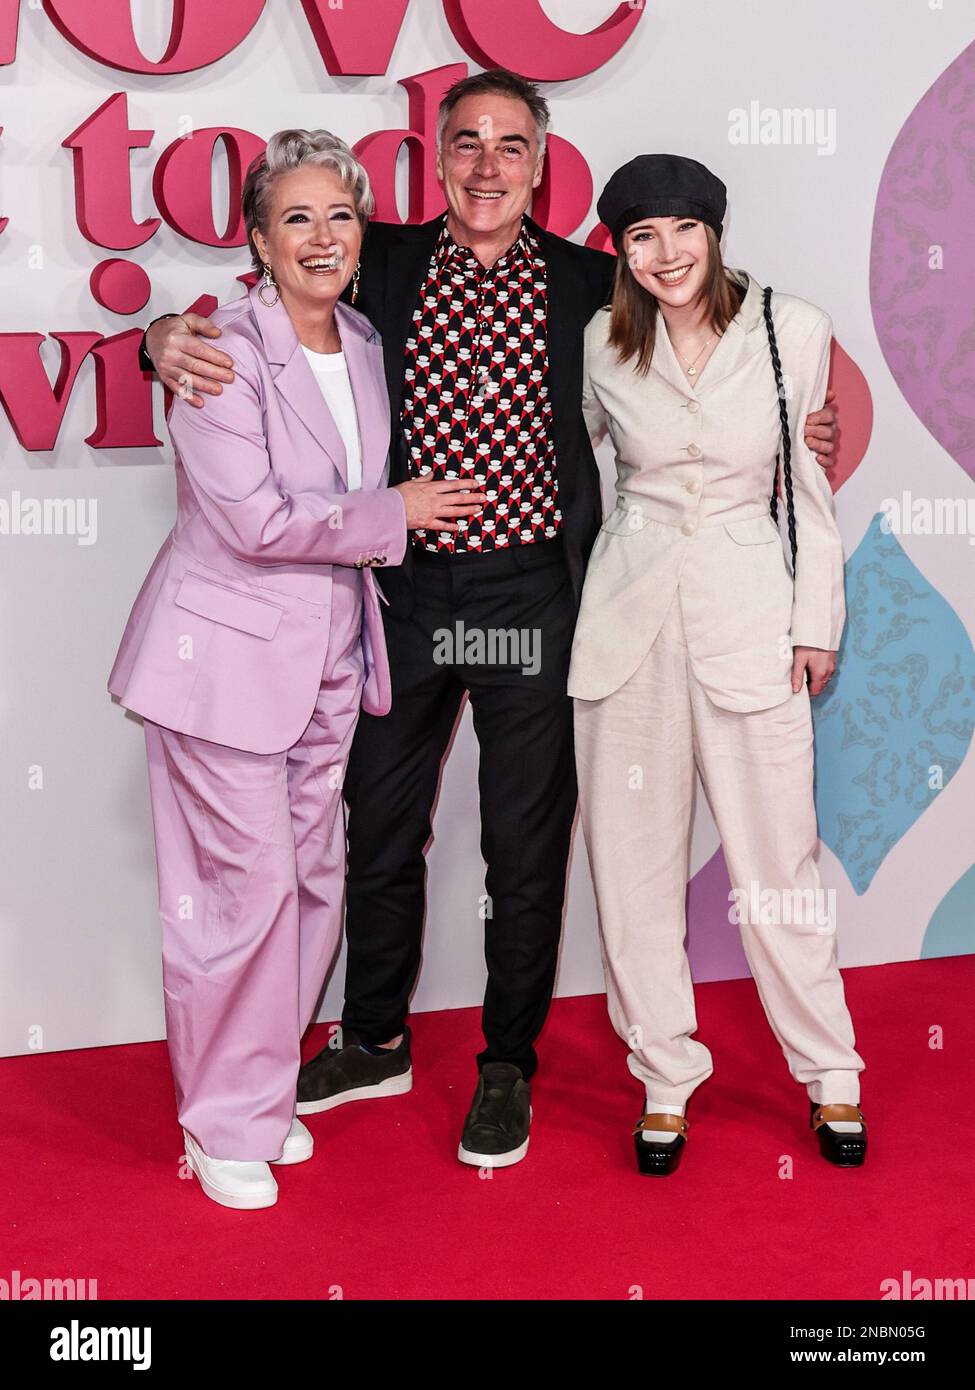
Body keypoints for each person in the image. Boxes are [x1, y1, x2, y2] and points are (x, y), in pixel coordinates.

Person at [139, 72, 839, 1170]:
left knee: (524, 845)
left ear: (540, 165)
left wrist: (804, 424)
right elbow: (259, 307)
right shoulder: (380, 259)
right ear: (437, 156)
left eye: (511, 144)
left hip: (535, 601)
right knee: (376, 828)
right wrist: (156, 339)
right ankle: (373, 1036)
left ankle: (506, 1062)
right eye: (466, 141)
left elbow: (723, 370)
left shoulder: (599, 288)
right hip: (404, 594)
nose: (487, 163)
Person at [110, 129, 482, 1209]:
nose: (322, 237)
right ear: (259, 242)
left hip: (330, 665)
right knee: (243, 896)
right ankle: (220, 1121)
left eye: (341, 216)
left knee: (313, 887)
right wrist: (396, 513)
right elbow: (257, 521)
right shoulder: (219, 346)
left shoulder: (364, 338)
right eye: (297, 219)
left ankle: (260, 1095)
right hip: (221, 669)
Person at [569, 154, 867, 1176]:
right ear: (621, 249)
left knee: (777, 861)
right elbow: (591, 461)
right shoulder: (602, 343)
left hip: (750, 614)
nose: (665, 255)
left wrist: (813, 621)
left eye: (681, 230)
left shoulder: (796, 329)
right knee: (631, 867)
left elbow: (811, 493)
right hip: (627, 624)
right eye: (641, 237)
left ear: (715, 230)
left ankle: (831, 1071)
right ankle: (663, 1074)